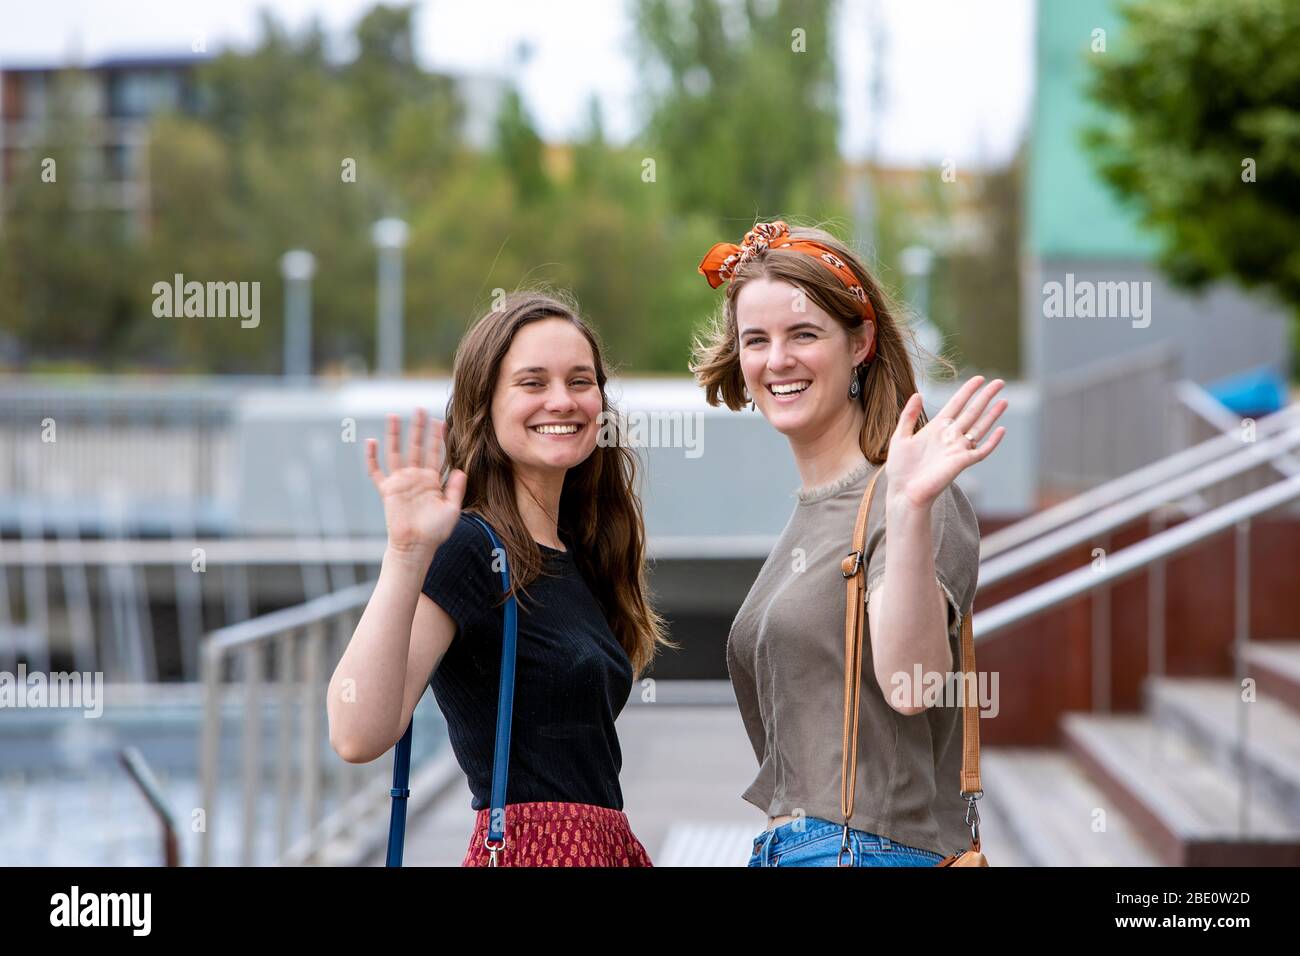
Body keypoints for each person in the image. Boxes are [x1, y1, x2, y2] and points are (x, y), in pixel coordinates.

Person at [690, 220, 1006, 867]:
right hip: (793, 849)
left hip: (862, 850)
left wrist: (911, 507)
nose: (777, 359)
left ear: (860, 342)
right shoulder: (811, 516)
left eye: (804, 334)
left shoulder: (909, 493)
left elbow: (912, 685)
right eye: (757, 339)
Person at [328, 289, 671, 866]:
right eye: (533, 383)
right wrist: (406, 553)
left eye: (580, 381)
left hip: (605, 848)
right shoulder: (469, 547)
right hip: (538, 852)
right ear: (484, 404)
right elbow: (356, 733)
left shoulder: (579, 551)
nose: (561, 401)